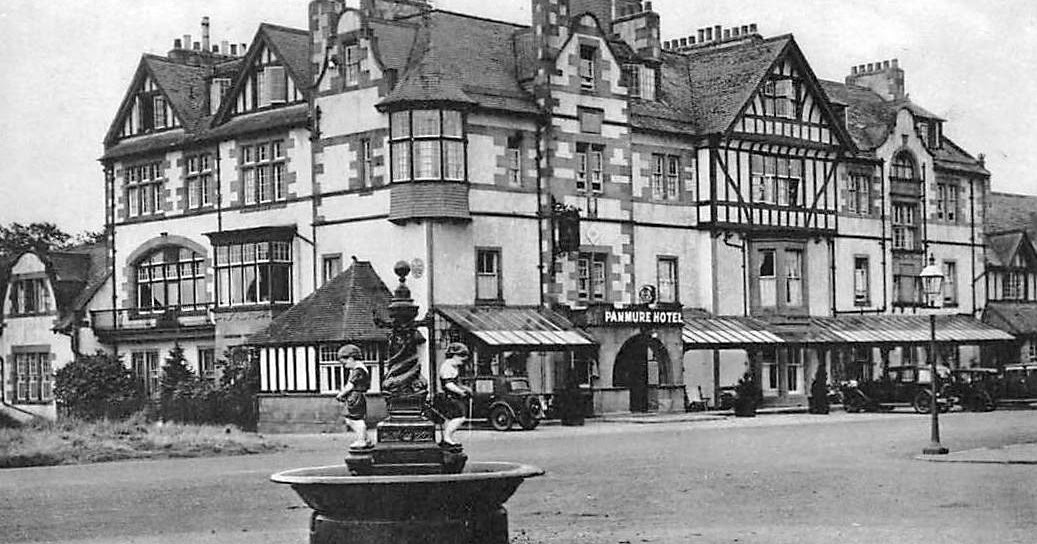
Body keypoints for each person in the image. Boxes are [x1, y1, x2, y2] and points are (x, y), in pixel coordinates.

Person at [334, 344, 372, 449]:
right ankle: (366, 439)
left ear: (351, 358)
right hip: (356, 396)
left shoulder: (358, 370)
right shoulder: (360, 369)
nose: (344, 366)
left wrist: (341, 394)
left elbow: (351, 385)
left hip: (355, 397)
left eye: (344, 363)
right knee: (352, 419)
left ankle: (361, 441)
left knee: (355, 420)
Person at [438, 342, 473, 446]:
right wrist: (461, 391)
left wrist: (463, 388)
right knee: (459, 417)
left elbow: (455, 383)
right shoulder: (447, 367)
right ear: (454, 356)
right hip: (451, 397)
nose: (463, 361)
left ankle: (447, 438)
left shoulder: (452, 367)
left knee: (451, 418)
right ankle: (447, 438)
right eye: (461, 357)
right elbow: (448, 384)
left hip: (451, 396)